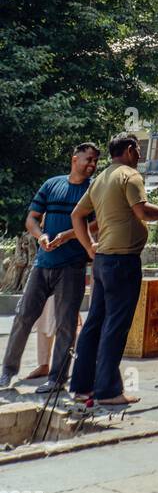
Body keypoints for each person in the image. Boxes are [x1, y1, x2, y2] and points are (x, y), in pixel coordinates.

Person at [69, 133, 158, 406]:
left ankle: (83, 385)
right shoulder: (129, 176)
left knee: (95, 322)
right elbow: (143, 212)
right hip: (122, 261)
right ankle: (108, 390)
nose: (140, 156)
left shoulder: (101, 179)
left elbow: (77, 215)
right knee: (115, 325)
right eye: (139, 151)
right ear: (131, 150)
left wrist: (89, 247)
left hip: (103, 260)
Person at [0, 143, 100, 392]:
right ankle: (7, 371)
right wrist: (40, 236)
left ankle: (57, 379)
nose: (92, 165)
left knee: (66, 324)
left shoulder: (94, 190)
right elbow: (31, 219)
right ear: (74, 159)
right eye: (88, 159)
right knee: (23, 317)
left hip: (72, 265)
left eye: (95, 161)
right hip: (42, 263)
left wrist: (67, 235)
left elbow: (97, 224)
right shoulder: (51, 184)